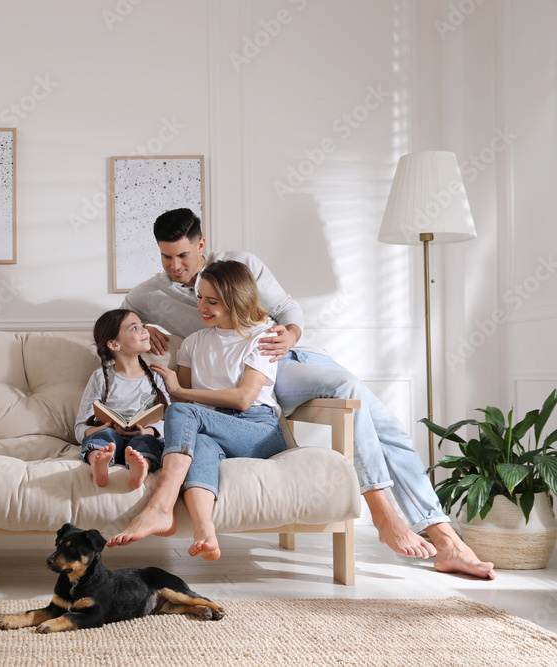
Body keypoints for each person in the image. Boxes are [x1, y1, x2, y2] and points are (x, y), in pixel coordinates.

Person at [110, 207, 495, 580]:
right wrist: (144, 325)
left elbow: (287, 309)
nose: (175, 266)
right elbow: (121, 315)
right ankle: (428, 535)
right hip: (241, 382)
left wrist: (287, 336)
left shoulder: (240, 265)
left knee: (380, 421)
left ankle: (414, 525)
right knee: (364, 408)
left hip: (283, 359)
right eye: (165, 257)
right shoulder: (153, 294)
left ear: (201, 244)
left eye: (182, 255)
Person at [145, 260, 287, 560]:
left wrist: (179, 391)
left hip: (257, 430)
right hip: (212, 428)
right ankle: (205, 530)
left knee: (185, 415)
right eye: (199, 297)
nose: (201, 307)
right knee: (201, 443)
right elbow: (181, 406)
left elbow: (244, 398)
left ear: (237, 301)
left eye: (212, 301)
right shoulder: (194, 343)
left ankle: (161, 506)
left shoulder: (263, 337)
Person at [74, 310, 169, 489]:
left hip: (143, 436)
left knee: (146, 443)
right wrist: (103, 427)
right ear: (114, 344)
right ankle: (98, 463)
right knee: (103, 436)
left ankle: (141, 467)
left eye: (142, 325)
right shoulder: (100, 377)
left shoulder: (156, 377)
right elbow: (79, 428)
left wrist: (147, 432)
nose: (145, 331)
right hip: (110, 437)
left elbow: (172, 423)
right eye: (134, 328)